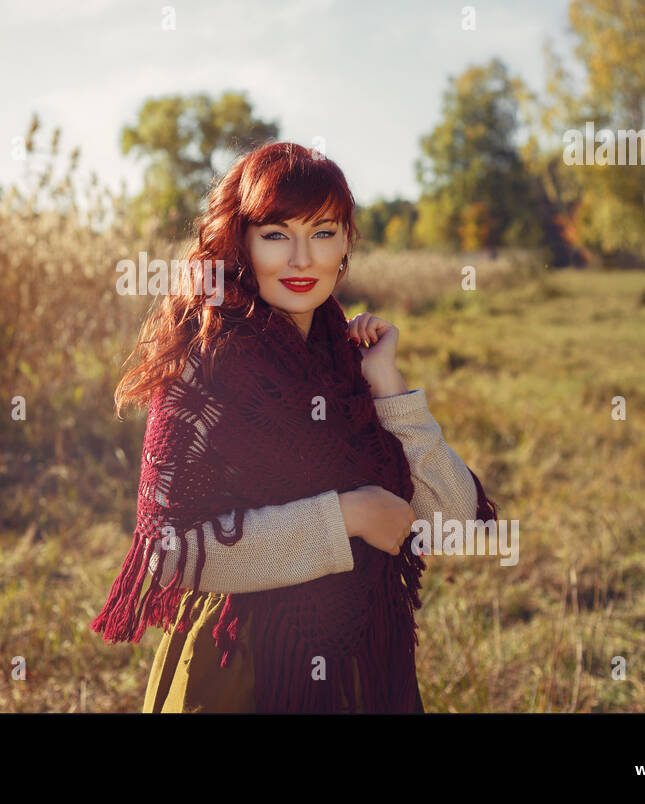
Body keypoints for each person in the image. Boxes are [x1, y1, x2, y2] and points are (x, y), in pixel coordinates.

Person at [90, 141, 499, 712]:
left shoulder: (349, 357)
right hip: (245, 665)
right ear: (242, 243)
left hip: (365, 667)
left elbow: (453, 515)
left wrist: (388, 386)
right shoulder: (205, 361)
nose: (302, 258)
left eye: (323, 232)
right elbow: (167, 549)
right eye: (277, 234)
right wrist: (347, 517)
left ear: (346, 244)